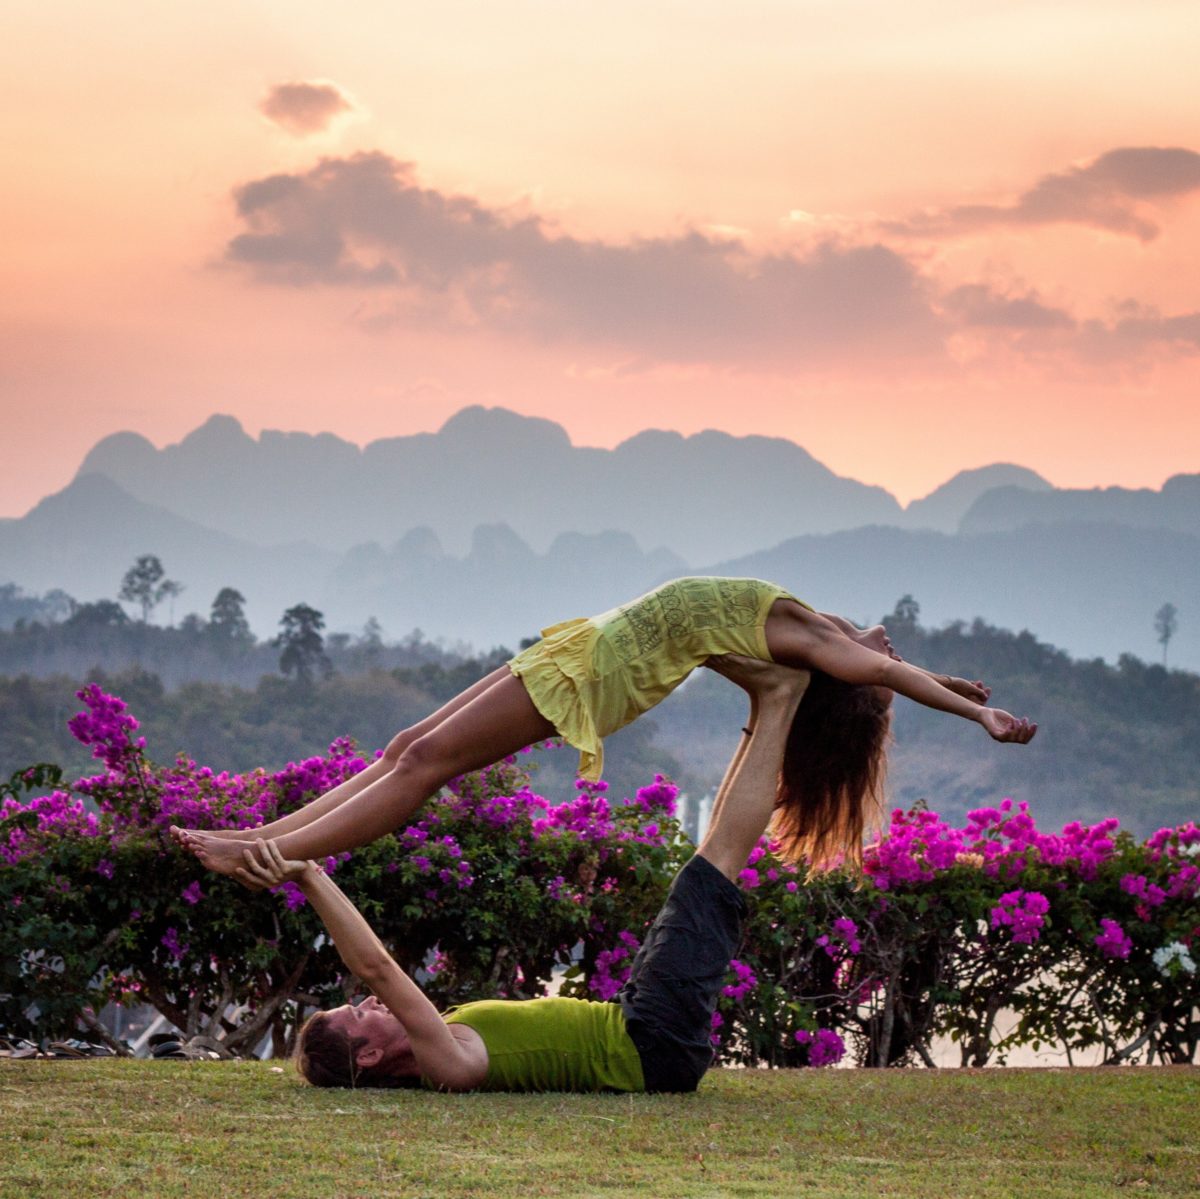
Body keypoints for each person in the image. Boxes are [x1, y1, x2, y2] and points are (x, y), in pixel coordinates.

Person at [175, 575, 1035, 876]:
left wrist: (976, 713)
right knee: (409, 746)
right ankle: (261, 834)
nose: (890, 646)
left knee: (428, 762)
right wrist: (952, 681)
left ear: (848, 677)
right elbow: (888, 662)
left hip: (600, 674)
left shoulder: (824, 646)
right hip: (586, 646)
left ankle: (272, 856)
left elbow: (882, 669)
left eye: (882, 668)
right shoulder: (825, 629)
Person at [239, 656, 830, 1091]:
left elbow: (377, 977)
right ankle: (779, 700)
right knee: (714, 869)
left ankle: (768, 705)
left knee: (704, 869)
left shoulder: (445, 1042)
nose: (369, 1000)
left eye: (360, 1002)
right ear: (367, 1058)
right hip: (652, 1043)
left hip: (637, 1023)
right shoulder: (447, 1063)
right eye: (359, 1014)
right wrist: (309, 873)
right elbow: (377, 965)